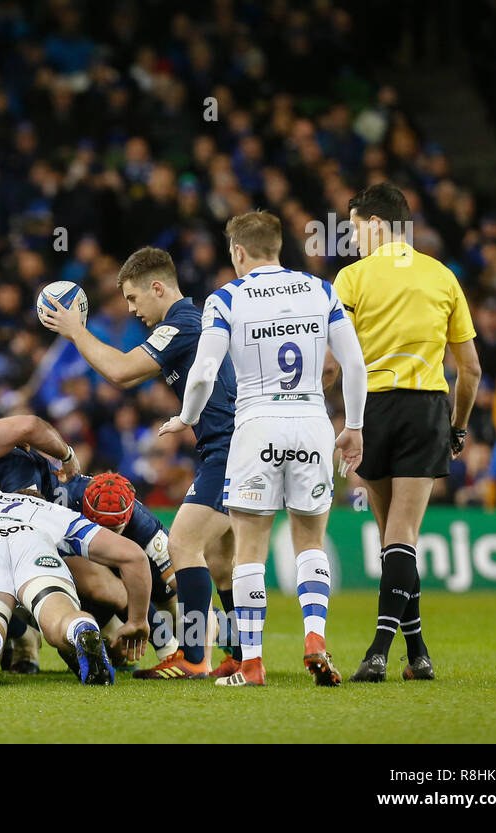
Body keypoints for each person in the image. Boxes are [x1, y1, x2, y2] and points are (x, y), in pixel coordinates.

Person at [162, 210, 367, 687]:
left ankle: (252, 664)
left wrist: (186, 417)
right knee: (310, 542)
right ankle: (314, 635)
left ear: (237, 252)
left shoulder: (226, 298)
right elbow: (354, 365)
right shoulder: (321, 290)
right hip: (313, 422)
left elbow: (203, 372)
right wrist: (353, 426)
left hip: (256, 425)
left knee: (249, 550)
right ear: (278, 246)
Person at [40, 247, 238, 678]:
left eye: (133, 299)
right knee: (223, 560)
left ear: (157, 287)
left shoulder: (183, 323)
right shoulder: (200, 321)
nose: (132, 310)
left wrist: (76, 331)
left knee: (185, 546)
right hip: (227, 445)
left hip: (228, 447)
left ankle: (193, 657)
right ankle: (238, 655)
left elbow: (123, 371)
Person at [333, 183, 481, 683]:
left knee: (391, 537)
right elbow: (473, 369)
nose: (352, 239)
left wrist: (340, 414)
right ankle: (416, 653)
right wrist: (457, 429)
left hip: (371, 409)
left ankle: (378, 650)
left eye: (354, 228)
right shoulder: (443, 276)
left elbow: (339, 359)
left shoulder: (351, 279)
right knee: (404, 537)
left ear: (376, 223)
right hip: (426, 408)